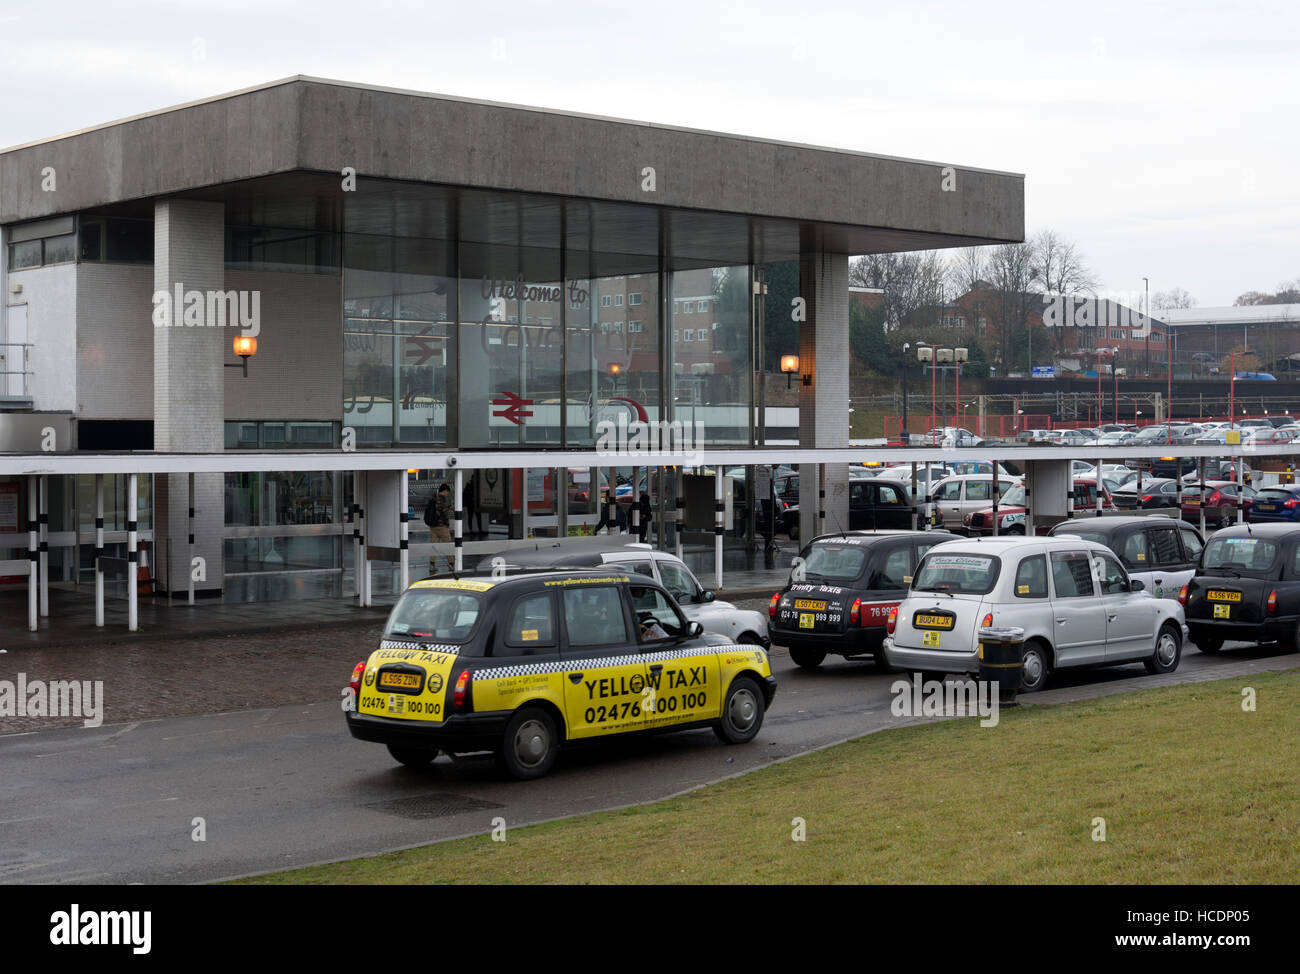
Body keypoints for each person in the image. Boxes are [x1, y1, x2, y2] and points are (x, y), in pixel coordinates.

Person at [424, 483, 454, 574]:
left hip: (433, 526)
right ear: (444, 491)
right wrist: (447, 524)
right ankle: (451, 564)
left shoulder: (434, 498)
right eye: (447, 492)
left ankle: (432, 565)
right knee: (447, 545)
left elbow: (437, 510)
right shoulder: (442, 499)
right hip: (441, 527)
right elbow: (444, 513)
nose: (447, 494)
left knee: (434, 546)